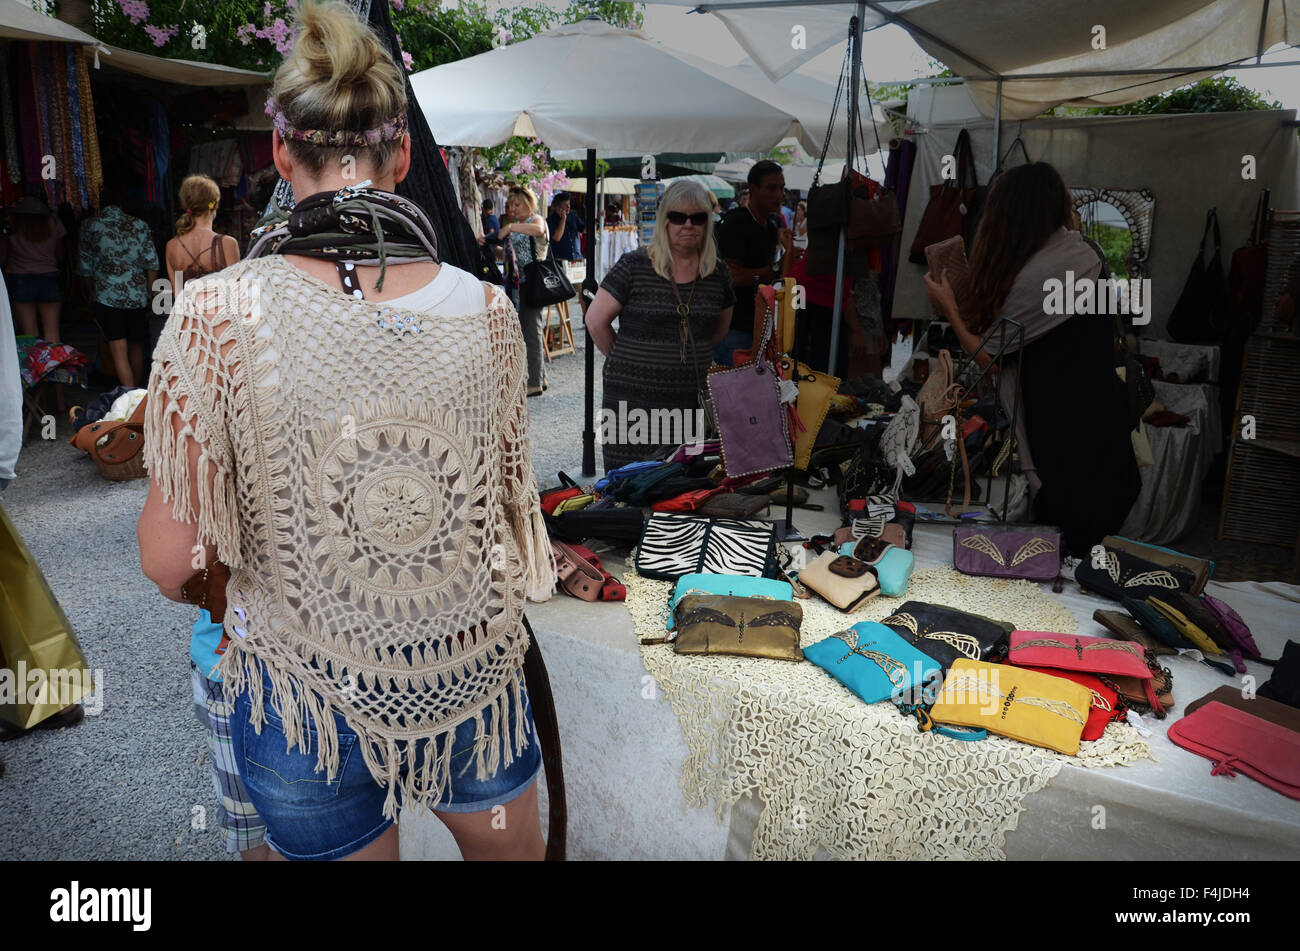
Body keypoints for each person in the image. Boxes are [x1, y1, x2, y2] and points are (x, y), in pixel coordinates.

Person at [137, 0, 553, 862]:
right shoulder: (487, 314)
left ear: (282, 152)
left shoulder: (215, 316)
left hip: (300, 695)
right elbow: (509, 525)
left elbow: (172, 560)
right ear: (402, 156)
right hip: (469, 676)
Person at [924, 161, 1139, 555]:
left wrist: (949, 306)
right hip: (1097, 441)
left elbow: (989, 353)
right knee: (1071, 557)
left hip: (1074, 454)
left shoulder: (1044, 272)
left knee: (1066, 558)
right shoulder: (1075, 252)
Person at [585, 180, 735, 472]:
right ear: (665, 220)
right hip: (630, 405)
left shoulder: (718, 273)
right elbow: (595, 320)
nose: (687, 225)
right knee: (627, 487)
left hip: (689, 401)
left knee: (681, 484)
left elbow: (718, 330)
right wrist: (626, 359)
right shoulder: (634, 265)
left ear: (707, 223)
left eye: (698, 218)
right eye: (678, 217)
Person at [77, 180, 160, 388]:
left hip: (107, 296)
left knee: (118, 349)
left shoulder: (90, 226)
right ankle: (140, 396)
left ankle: (129, 399)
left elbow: (85, 266)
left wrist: (91, 291)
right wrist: (150, 292)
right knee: (137, 346)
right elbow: (152, 263)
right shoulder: (140, 225)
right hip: (137, 296)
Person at [714, 160, 792, 364]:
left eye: (782, 188)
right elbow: (734, 277)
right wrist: (775, 267)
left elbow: (777, 276)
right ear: (753, 189)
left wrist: (789, 254)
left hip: (758, 324)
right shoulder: (736, 222)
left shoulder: (771, 226)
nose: (779, 194)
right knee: (735, 391)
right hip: (734, 326)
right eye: (771, 188)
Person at [162, 176, 241, 353]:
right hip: (223, 332)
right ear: (215, 204)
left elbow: (178, 298)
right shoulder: (227, 244)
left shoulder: (172, 246)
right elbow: (237, 296)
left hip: (189, 333)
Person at [500, 185, 550, 397]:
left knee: (531, 332)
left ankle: (535, 382)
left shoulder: (535, 220)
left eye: (518, 204)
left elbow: (539, 231)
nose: (514, 209)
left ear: (529, 204)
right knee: (528, 330)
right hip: (521, 284)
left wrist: (510, 227)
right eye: (511, 205)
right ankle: (541, 377)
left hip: (533, 283)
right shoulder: (521, 225)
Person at [0, 195, 67, 343]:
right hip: (49, 277)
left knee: (30, 334)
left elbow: (3, 258)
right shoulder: (54, 223)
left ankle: (35, 365)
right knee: (53, 334)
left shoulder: (12, 225)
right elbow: (60, 254)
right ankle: (55, 365)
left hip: (21, 278)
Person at [547, 194, 584, 264]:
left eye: (569, 204)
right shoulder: (550, 220)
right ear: (558, 207)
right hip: (561, 260)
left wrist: (597, 221)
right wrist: (563, 219)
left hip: (576, 258)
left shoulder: (573, 216)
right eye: (566, 205)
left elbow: (584, 229)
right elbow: (557, 237)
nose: (568, 207)